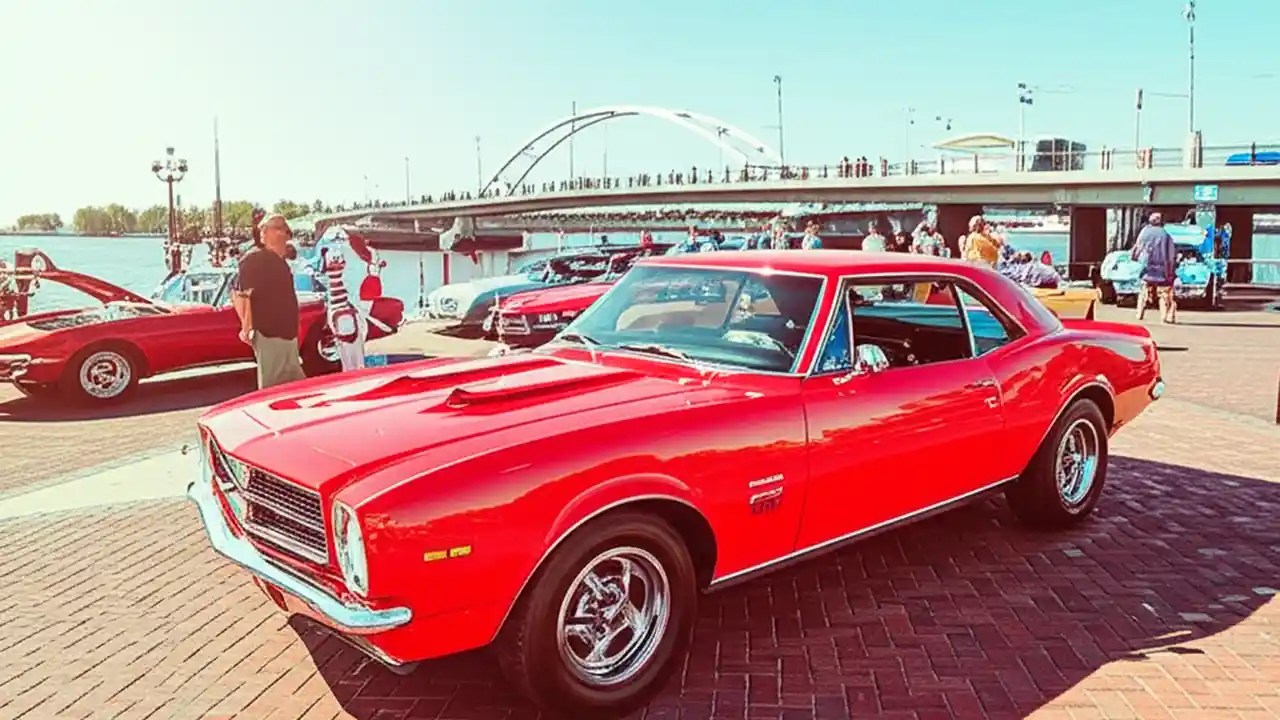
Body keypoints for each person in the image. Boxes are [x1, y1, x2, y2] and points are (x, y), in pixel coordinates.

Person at [233, 214, 305, 389]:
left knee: (294, 384)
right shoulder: (254, 259)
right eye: (279, 229)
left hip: (287, 335)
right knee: (274, 388)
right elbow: (241, 295)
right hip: (269, 334)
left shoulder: (279, 261)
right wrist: (247, 328)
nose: (285, 235)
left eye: (286, 231)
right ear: (264, 232)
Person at [1131, 212, 1177, 323]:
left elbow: (1137, 248)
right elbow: (1171, 255)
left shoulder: (1144, 232)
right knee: (1164, 293)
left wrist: (1134, 257)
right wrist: (1170, 271)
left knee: (1144, 289)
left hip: (1146, 267)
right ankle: (1164, 316)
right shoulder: (1166, 235)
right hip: (1162, 269)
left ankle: (1140, 312)